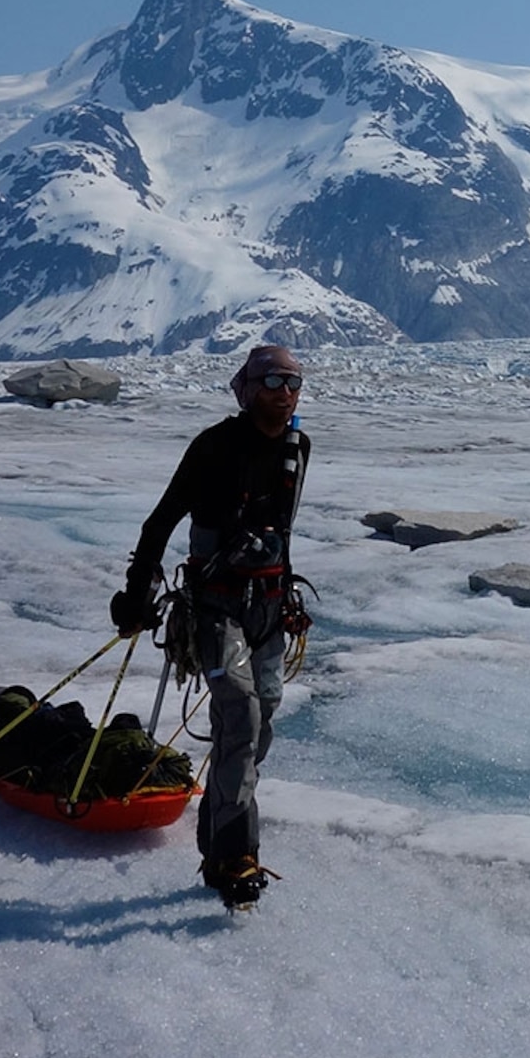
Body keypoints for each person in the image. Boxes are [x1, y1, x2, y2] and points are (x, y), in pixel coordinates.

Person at [116, 343, 310, 910]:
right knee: (242, 714)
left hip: (269, 607)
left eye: (293, 382)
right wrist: (137, 595)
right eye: (272, 381)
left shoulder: (298, 448)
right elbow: (161, 522)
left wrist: (287, 593)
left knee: (258, 718)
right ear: (246, 388)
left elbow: (283, 528)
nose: (284, 392)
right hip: (217, 606)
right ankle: (233, 856)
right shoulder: (214, 446)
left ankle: (218, 828)